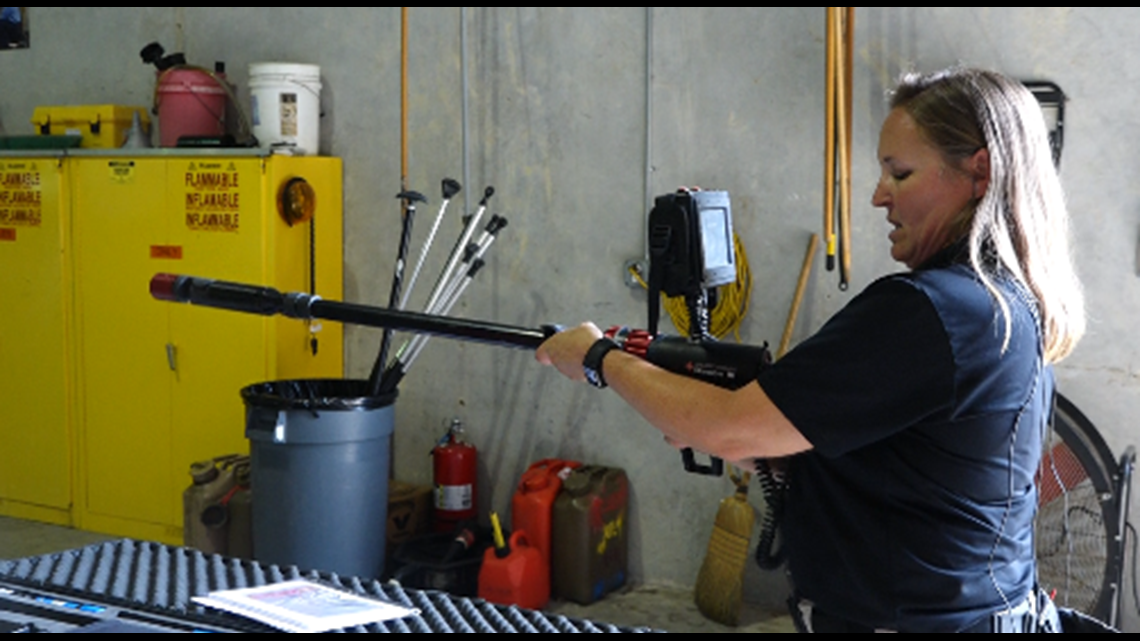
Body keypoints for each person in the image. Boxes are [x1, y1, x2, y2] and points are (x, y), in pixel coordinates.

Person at [535, 67, 1086, 633]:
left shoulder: (936, 311)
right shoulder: (1005, 304)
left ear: (980, 172)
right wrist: (765, 448)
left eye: (900, 173)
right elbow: (914, 472)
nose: (878, 196)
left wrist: (601, 358)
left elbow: (728, 429)